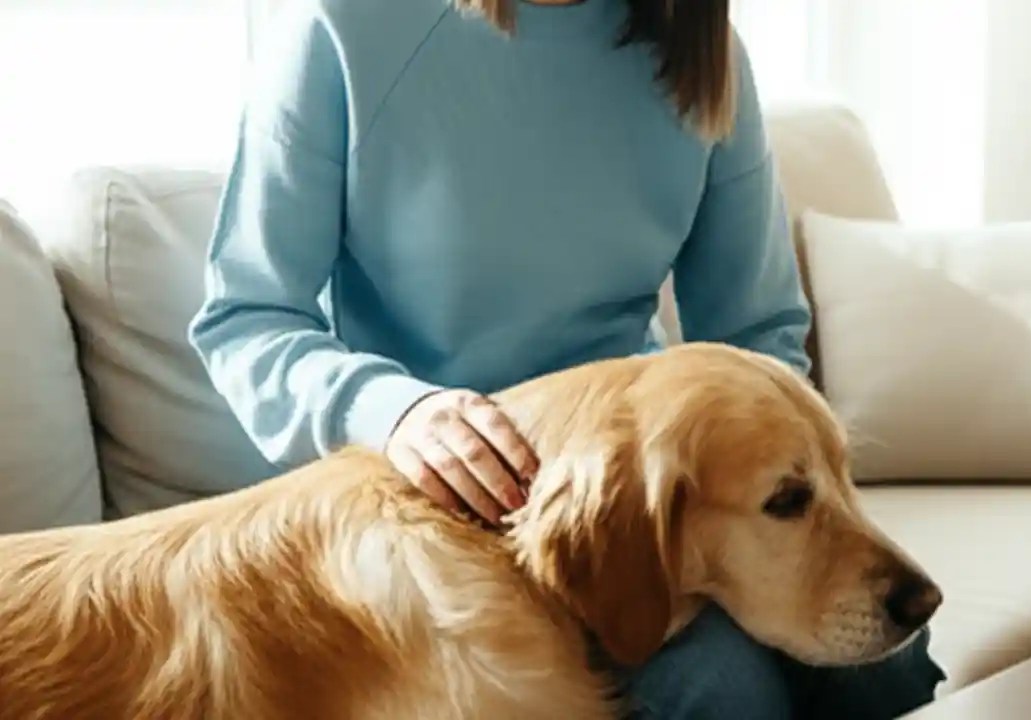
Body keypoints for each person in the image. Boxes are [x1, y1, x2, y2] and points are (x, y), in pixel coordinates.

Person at [190, 0, 946, 717]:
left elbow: (759, 335)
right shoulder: (346, 25)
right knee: (719, 693)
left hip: (640, 506)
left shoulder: (702, 50)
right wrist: (398, 412)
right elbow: (246, 318)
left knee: (889, 672)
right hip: (431, 527)